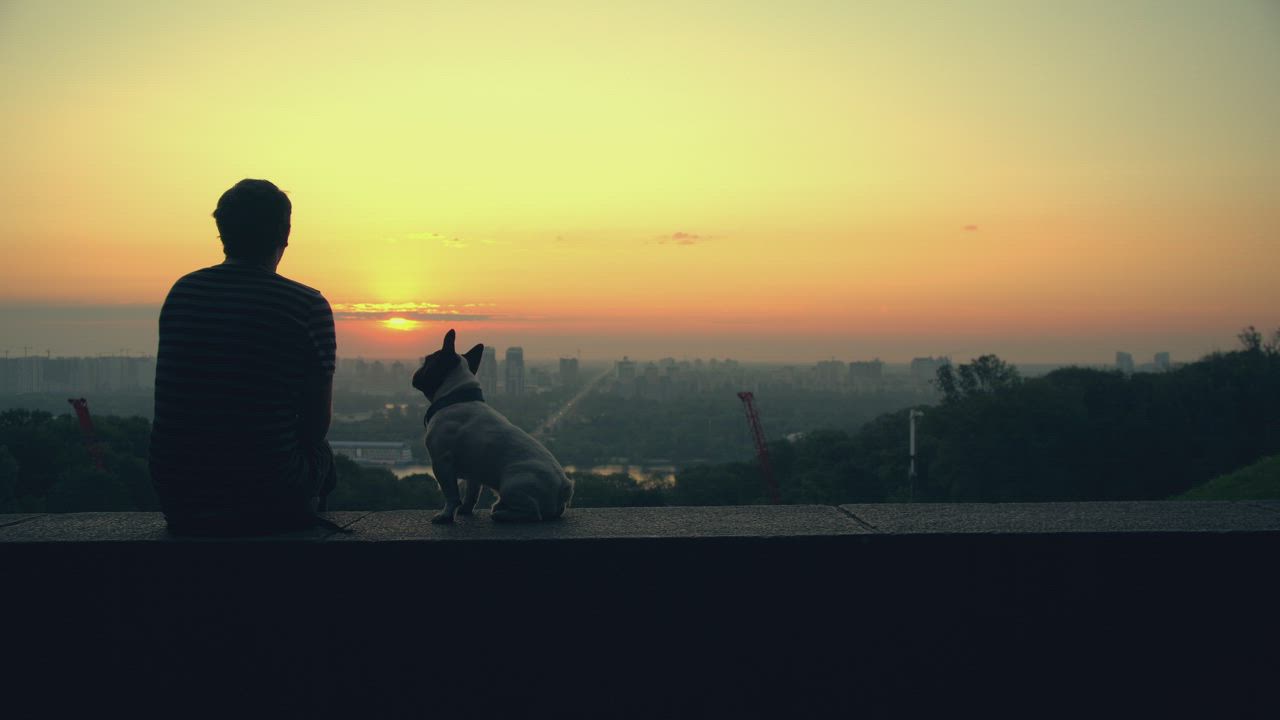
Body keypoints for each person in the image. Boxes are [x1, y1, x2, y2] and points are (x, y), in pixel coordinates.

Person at [150, 179, 338, 535]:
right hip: (268, 495)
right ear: (286, 233)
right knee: (323, 456)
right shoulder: (306, 305)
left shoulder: (184, 292)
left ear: (222, 232)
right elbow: (316, 426)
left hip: (180, 495)